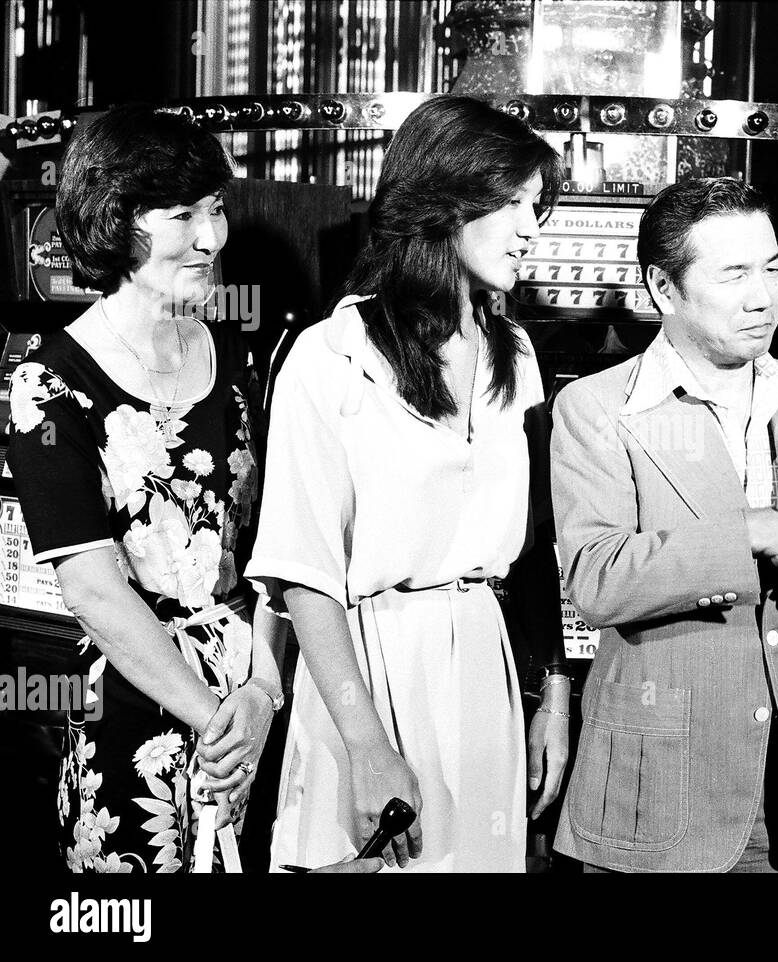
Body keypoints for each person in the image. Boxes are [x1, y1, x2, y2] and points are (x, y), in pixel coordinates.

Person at [245, 96, 569, 873]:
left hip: (485, 664)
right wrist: (365, 742)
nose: (532, 227)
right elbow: (303, 570)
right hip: (368, 664)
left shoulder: (516, 354)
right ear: (442, 199)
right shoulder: (330, 359)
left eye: (537, 205)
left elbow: (536, 547)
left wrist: (552, 697)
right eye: (511, 204)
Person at [550, 177, 778, 873]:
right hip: (658, 797)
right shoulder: (596, 409)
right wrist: (752, 531)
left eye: (774, 268)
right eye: (734, 274)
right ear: (664, 288)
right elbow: (598, 581)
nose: (764, 295)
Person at [6, 104, 284, 873]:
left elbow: (274, 545)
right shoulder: (48, 386)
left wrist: (261, 690)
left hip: (260, 704)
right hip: (139, 718)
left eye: (217, 209)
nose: (212, 237)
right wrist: (217, 724)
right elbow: (94, 592)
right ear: (114, 220)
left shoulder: (235, 353)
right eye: (182, 213)